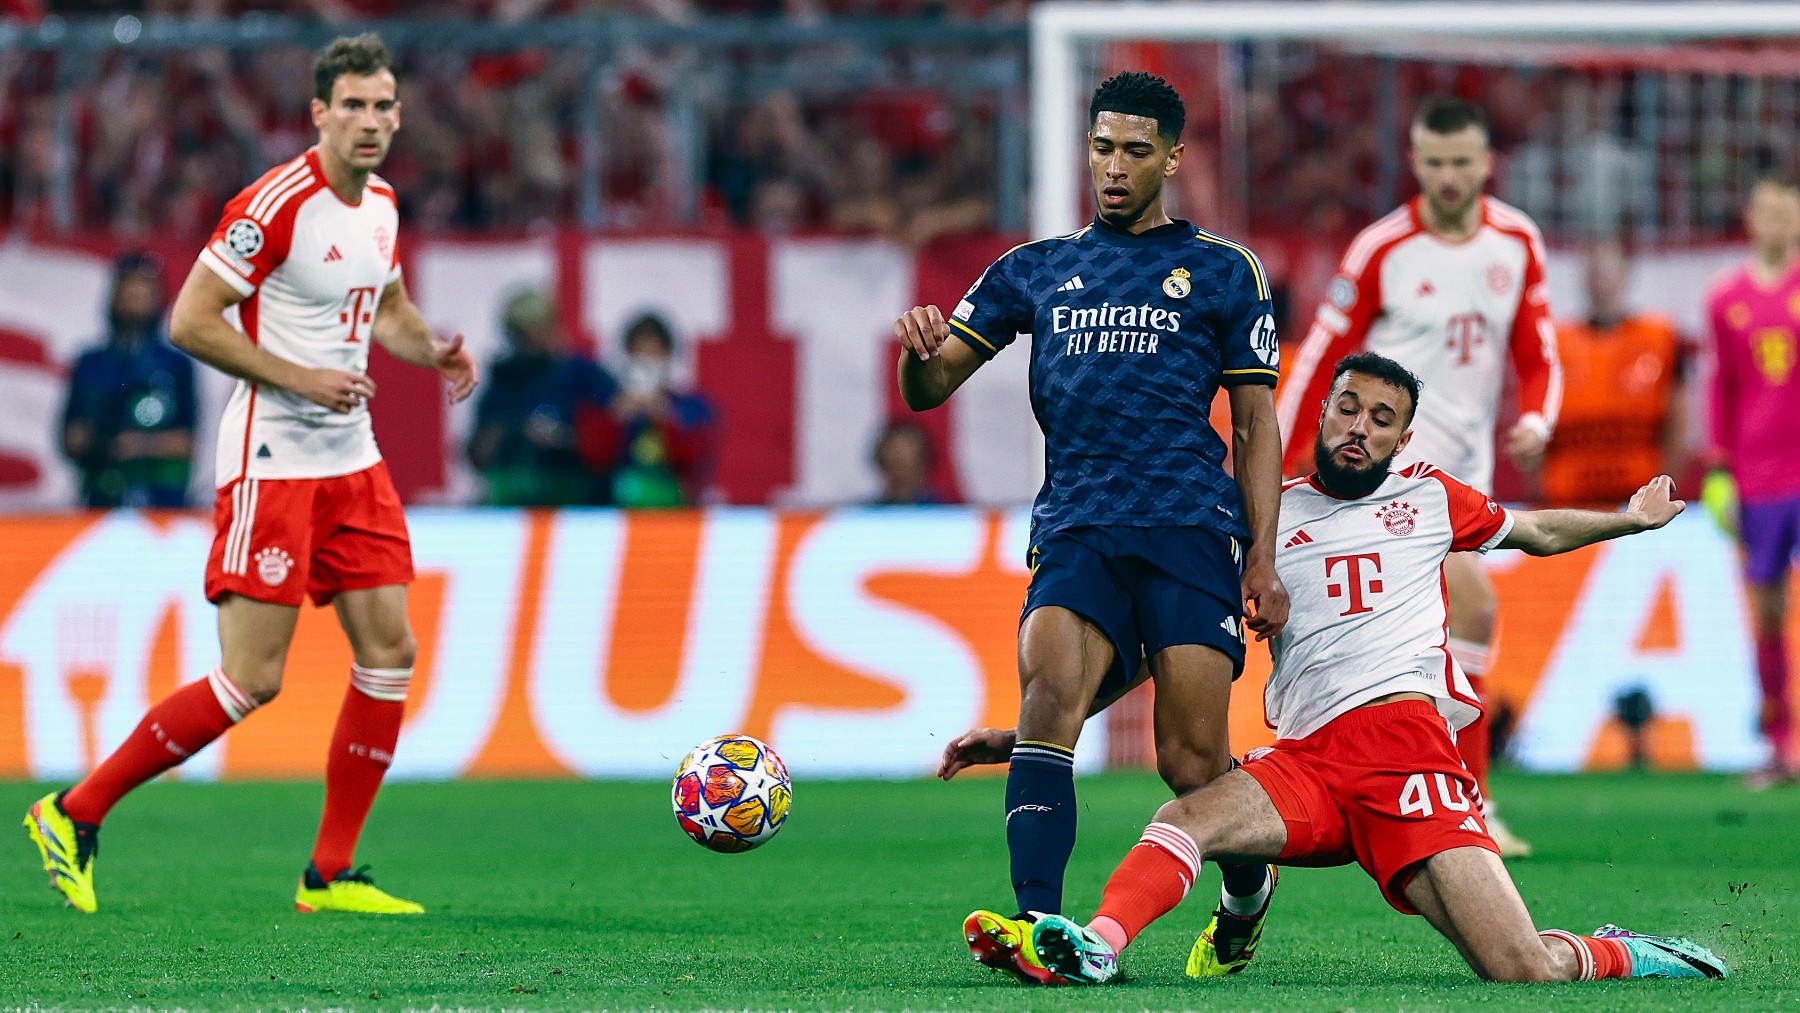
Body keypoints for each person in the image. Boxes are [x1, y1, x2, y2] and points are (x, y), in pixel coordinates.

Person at [1005, 353, 1726, 988]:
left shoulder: (1432, 496)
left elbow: (1534, 531)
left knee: (1520, 966)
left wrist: (1628, 519)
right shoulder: (1261, 520)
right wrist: (1038, 725)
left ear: (1402, 439)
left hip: (1410, 760)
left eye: (1382, 418)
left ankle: (1623, 953)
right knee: (1182, 816)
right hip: (1308, 760)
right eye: (1348, 407)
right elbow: (1177, 642)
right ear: (1322, 412)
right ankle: (1097, 945)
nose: (1361, 426)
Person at [21, 33, 476, 916]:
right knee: (251, 681)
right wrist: (303, 377)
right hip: (275, 462)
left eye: (385, 106)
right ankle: (73, 812)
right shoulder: (275, 203)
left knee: (390, 651)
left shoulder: (380, 204)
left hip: (356, 462)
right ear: (319, 113)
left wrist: (434, 350)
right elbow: (192, 321)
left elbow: (385, 309)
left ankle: (330, 874)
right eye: (354, 106)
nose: (372, 121)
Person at [902, 71, 1289, 984]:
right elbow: (930, 388)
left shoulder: (1225, 270)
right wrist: (917, 357)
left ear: (1172, 156)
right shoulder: (1032, 270)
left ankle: (1245, 889)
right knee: (1048, 698)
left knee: (1191, 759)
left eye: (1135, 151)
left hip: (1190, 524)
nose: (1114, 168)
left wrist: (1263, 557)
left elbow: (1258, 423)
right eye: (1102, 147)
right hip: (1076, 521)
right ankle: (1038, 921)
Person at [1274, 97, 1562, 859]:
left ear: (1486, 161)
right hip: (1392, 469)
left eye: (1461, 161)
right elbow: (1319, 359)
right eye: (1433, 162)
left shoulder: (1517, 240)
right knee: (1473, 605)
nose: (1447, 176)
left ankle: (1439, 790)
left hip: (1468, 464)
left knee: (1451, 631)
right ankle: (1467, 799)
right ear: (1415, 160)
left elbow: (1538, 353)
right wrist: (1274, 455)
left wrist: (1536, 419)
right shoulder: (1382, 248)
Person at [1702, 176, 1800, 790]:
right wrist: (1719, 468)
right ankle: (1779, 742)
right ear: (1751, 218)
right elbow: (1722, 387)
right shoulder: (1726, 298)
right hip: (1759, 478)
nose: (1775, 222)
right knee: (1766, 613)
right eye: (1765, 211)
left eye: (1785, 212)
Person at [1542, 242, 1690, 508]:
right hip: (1568, 498)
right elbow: (1534, 421)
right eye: (1595, 276)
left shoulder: (1659, 337)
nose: (1602, 286)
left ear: (1625, 278)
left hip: (1639, 495)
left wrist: (1667, 486)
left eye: (1609, 275)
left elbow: (1678, 417)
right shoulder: (1556, 342)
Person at [59, 252, 198, 509]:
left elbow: (188, 441)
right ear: (113, 297)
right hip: (100, 497)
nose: (135, 297)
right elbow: (69, 438)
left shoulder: (176, 365)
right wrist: (97, 441)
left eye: (143, 290)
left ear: (158, 298)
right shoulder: (91, 363)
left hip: (161, 503)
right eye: (128, 289)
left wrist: (138, 445)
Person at [467, 288, 617, 506]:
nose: (528, 341)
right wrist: (512, 430)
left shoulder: (586, 376)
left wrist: (564, 438)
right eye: (519, 334)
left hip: (578, 499)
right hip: (514, 501)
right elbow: (478, 454)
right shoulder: (504, 381)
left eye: (533, 331)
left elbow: (612, 444)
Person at [598, 312, 718, 508]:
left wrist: (665, 416)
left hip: (674, 512)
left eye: (653, 355)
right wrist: (615, 420)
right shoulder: (611, 405)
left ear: (668, 356)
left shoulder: (691, 406)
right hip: (618, 515)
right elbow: (596, 460)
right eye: (639, 354)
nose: (646, 363)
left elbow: (698, 462)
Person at [867, 420, 944, 506]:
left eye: (907, 464)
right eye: (894, 464)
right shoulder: (867, 514)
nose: (900, 473)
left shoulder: (946, 512)